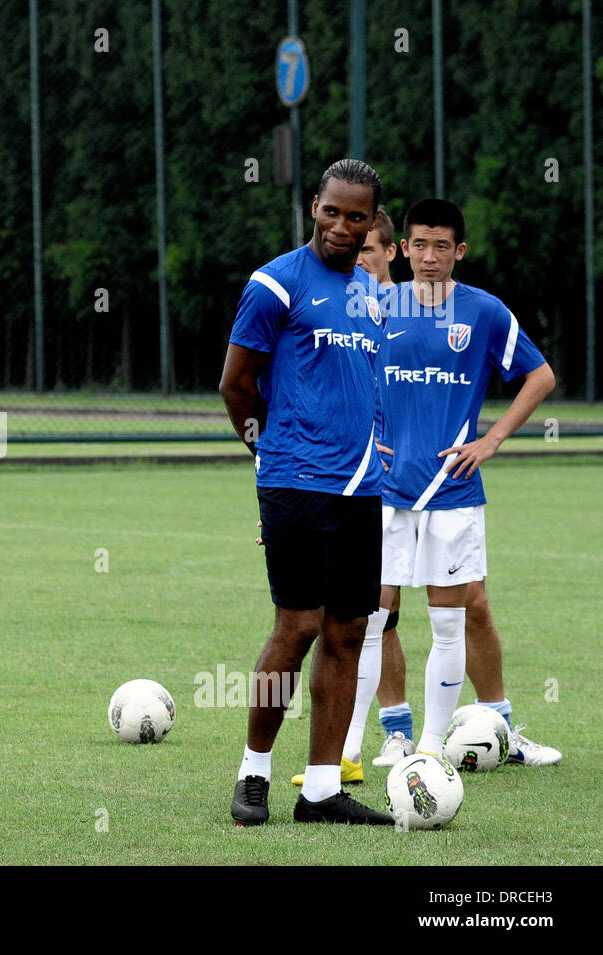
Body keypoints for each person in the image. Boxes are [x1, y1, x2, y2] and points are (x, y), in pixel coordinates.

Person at [336, 198, 557, 774]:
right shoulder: (376, 307)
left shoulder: (483, 312)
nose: (429, 257)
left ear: (458, 251)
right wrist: (364, 432)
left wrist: (492, 440)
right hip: (384, 491)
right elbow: (343, 376)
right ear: (402, 249)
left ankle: (431, 750)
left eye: (442, 247)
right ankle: (349, 751)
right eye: (419, 245)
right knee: (372, 619)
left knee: (448, 620)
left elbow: (541, 376)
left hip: (453, 491)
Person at [219, 158, 393, 826]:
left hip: (360, 489)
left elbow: (365, 389)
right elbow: (237, 384)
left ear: (373, 222)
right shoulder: (274, 284)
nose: (341, 227)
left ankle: (321, 789)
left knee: (350, 629)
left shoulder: (375, 296)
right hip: (293, 481)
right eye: (331, 211)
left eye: (356, 217)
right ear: (313, 206)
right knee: (296, 627)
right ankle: (254, 771)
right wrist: (268, 457)